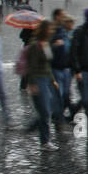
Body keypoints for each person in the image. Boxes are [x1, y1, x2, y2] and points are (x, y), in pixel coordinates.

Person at [25, 19, 60, 151]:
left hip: (46, 79)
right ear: (45, 30)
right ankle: (45, 141)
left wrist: (52, 80)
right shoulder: (35, 45)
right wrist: (32, 83)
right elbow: (32, 66)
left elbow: (47, 65)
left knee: (47, 110)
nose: (52, 31)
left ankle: (40, 133)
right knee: (45, 111)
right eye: (50, 29)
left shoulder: (46, 44)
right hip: (38, 79)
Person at [69, 7, 88, 137]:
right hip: (82, 71)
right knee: (87, 101)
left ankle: (72, 112)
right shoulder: (80, 32)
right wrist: (77, 70)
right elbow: (74, 51)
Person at [50, 9, 73, 119]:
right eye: (62, 16)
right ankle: (57, 115)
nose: (64, 18)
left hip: (66, 66)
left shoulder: (63, 30)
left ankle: (58, 114)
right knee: (59, 93)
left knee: (66, 94)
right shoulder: (51, 30)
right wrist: (54, 45)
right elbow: (46, 48)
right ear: (57, 17)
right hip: (56, 67)